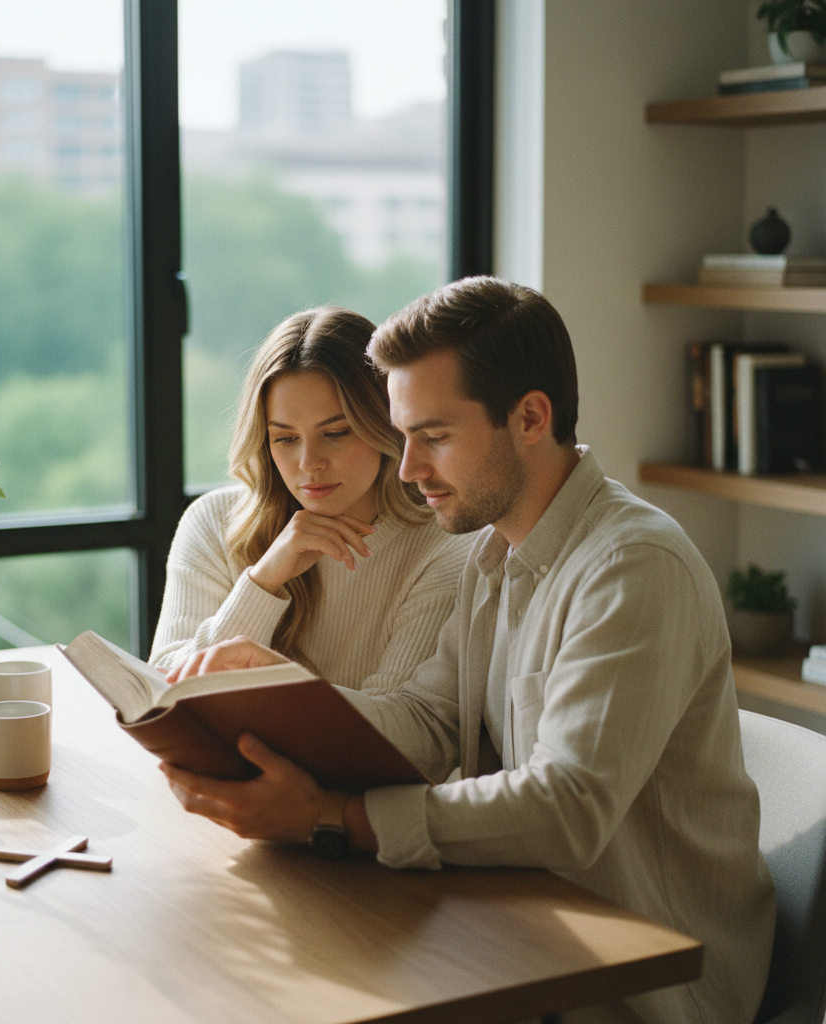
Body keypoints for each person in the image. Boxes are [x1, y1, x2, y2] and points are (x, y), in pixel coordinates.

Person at [160, 278, 776, 1024]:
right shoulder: (494, 554)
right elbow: (428, 719)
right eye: (403, 435)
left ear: (530, 417)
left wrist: (332, 816)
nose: (410, 469)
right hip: (524, 930)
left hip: (644, 988)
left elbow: (567, 806)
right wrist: (284, 699)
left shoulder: (630, 567)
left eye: (435, 437)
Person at [150, 305, 472, 694]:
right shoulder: (212, 522)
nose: (309, 464)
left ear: (385, 424)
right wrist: (263, 581)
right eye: (285, 438)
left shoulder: (442, 543)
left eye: (335, 433)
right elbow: (163, 688)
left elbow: (401, 726)